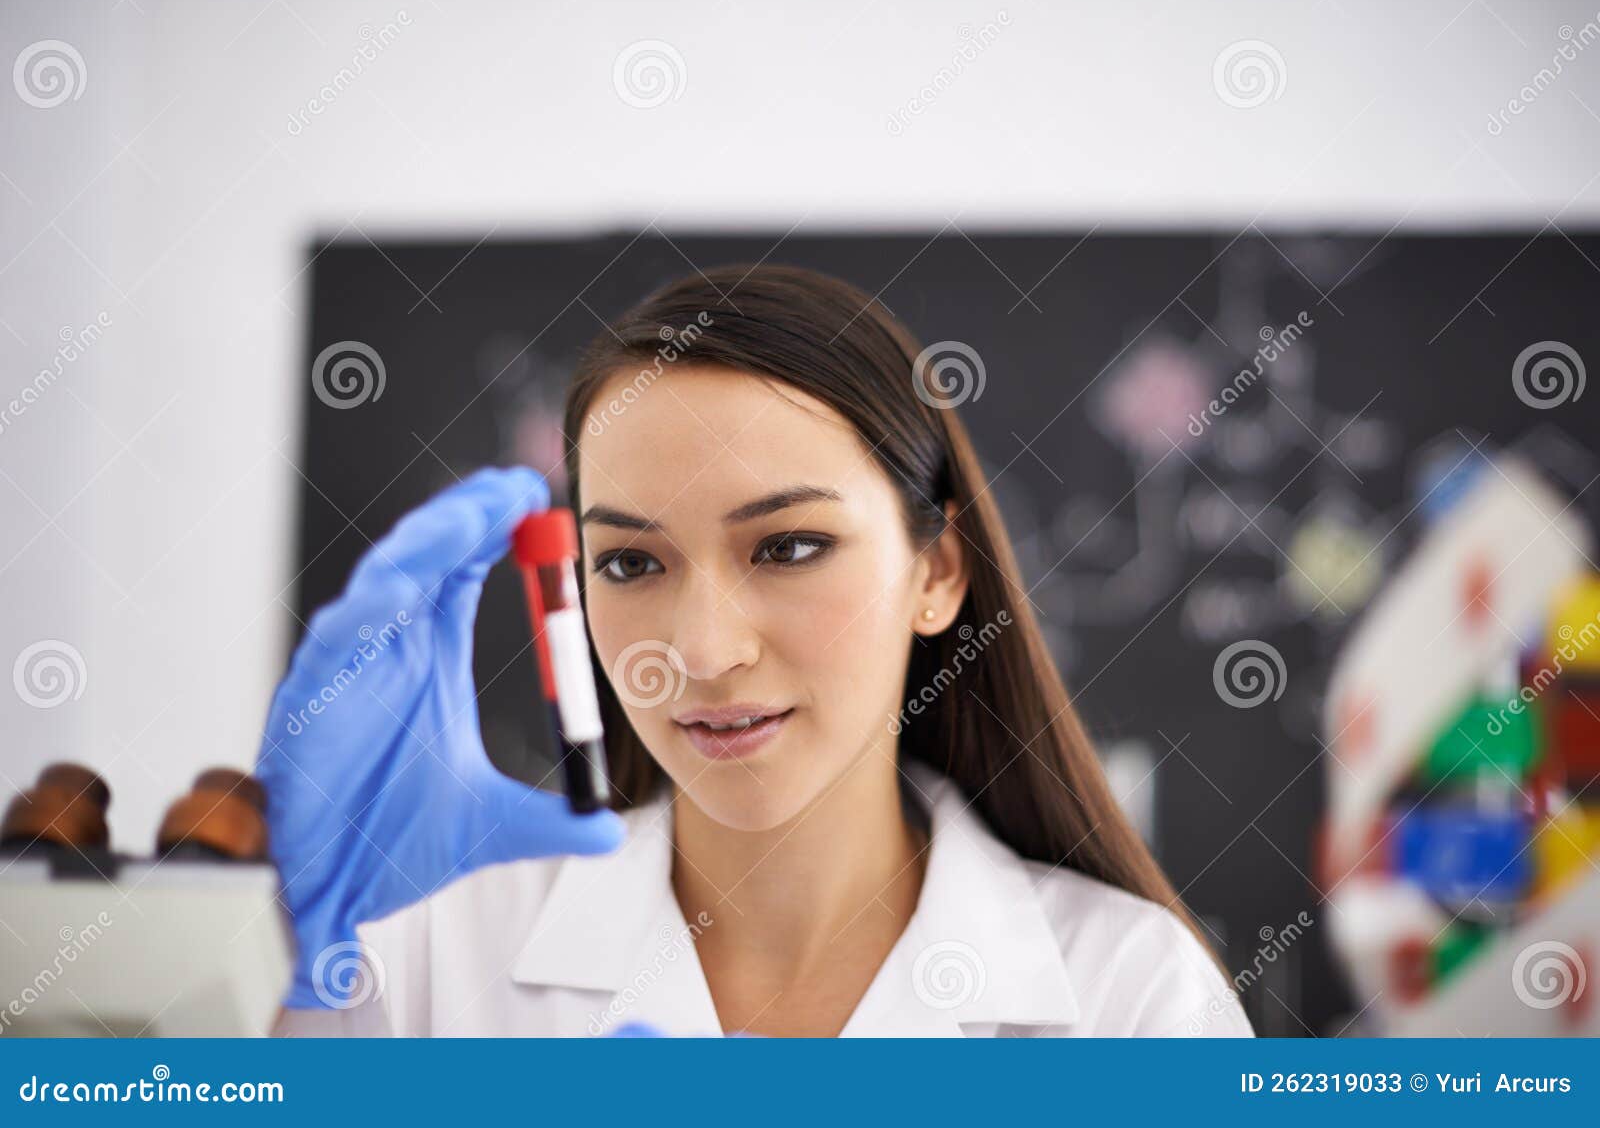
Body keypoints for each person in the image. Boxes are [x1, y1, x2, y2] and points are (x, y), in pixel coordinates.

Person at [261, 264, 1254, 1038]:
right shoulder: (431, 960)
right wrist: (309, 979)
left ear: (938, 572)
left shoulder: (1131, 998)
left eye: (788, 548)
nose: (699, 650)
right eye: (630, 563)